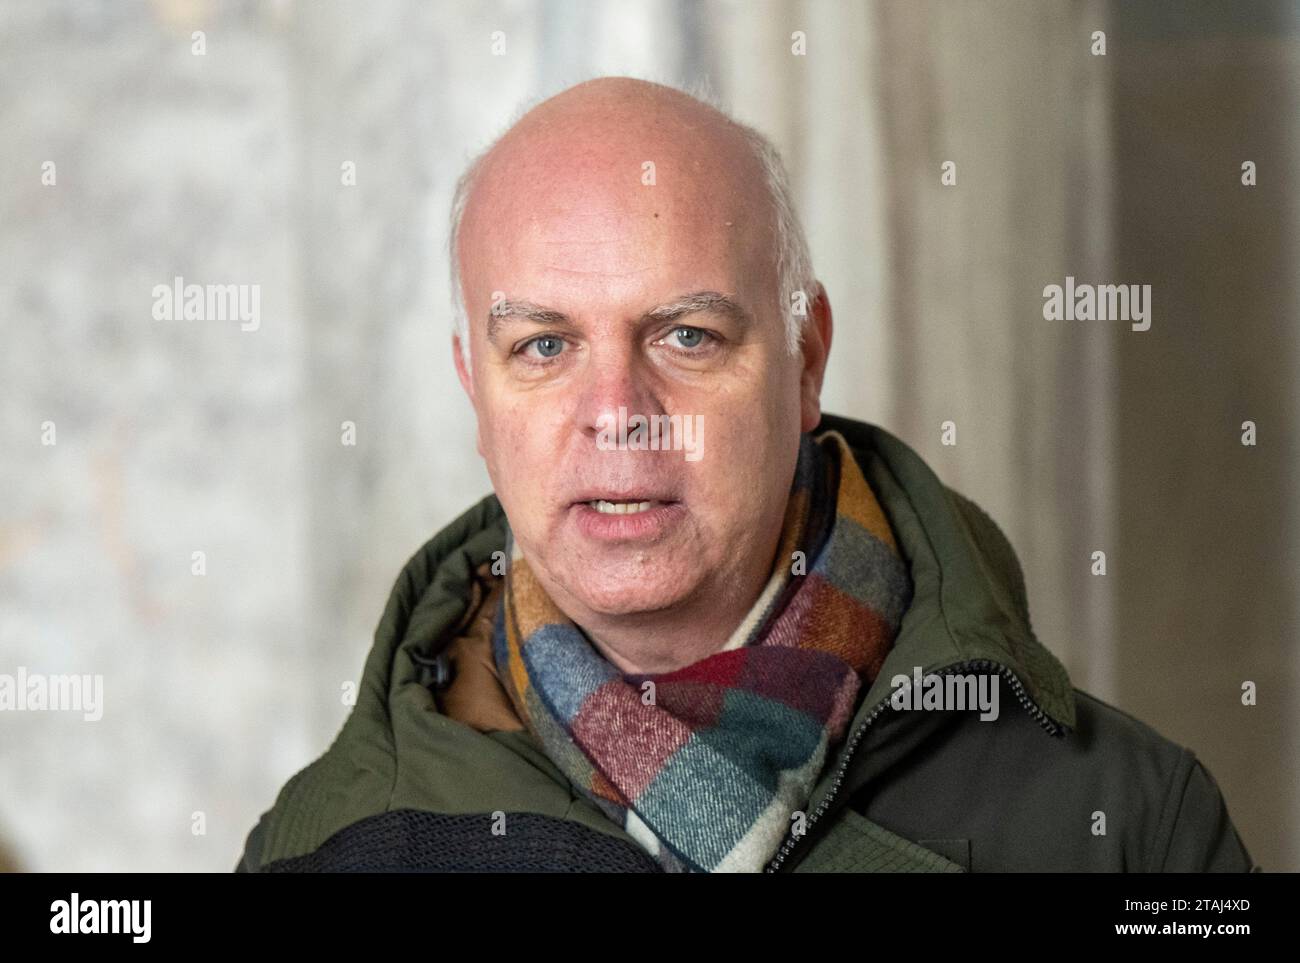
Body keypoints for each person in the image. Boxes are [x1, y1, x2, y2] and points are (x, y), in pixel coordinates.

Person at [237, 76, 1256, 873]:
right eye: (543, 347)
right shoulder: (322, 846)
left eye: (685, 334)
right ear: (474, 390)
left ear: (805, 359)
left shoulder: (1125, 825)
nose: (617, 415)